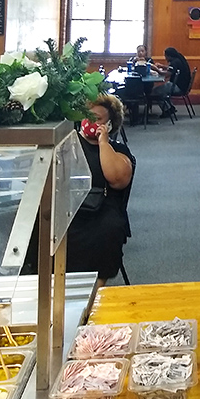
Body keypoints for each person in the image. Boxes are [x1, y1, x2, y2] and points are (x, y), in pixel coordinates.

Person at [70, 94, 135, 286]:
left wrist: (103, 143)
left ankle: (94, 292)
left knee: (108, 229)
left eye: (97, 119)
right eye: (87, 116)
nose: (90, 121)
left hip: (103, 207)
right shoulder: (70, 143)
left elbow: (117, 180)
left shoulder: (119, 150)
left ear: (109, 125)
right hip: (71, 204)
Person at [152, 47, 192, 117]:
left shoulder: (174, 62)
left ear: (169, 56)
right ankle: (169, 107)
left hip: (178, 87)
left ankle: (167, 110)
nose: (165, 58)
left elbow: (167, 74)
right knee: (162, 89)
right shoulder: (179, 59)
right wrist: (162, 66)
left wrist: (156, 70)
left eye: (165, 56)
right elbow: (171, 69)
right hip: (183, 85)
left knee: (155, 91)